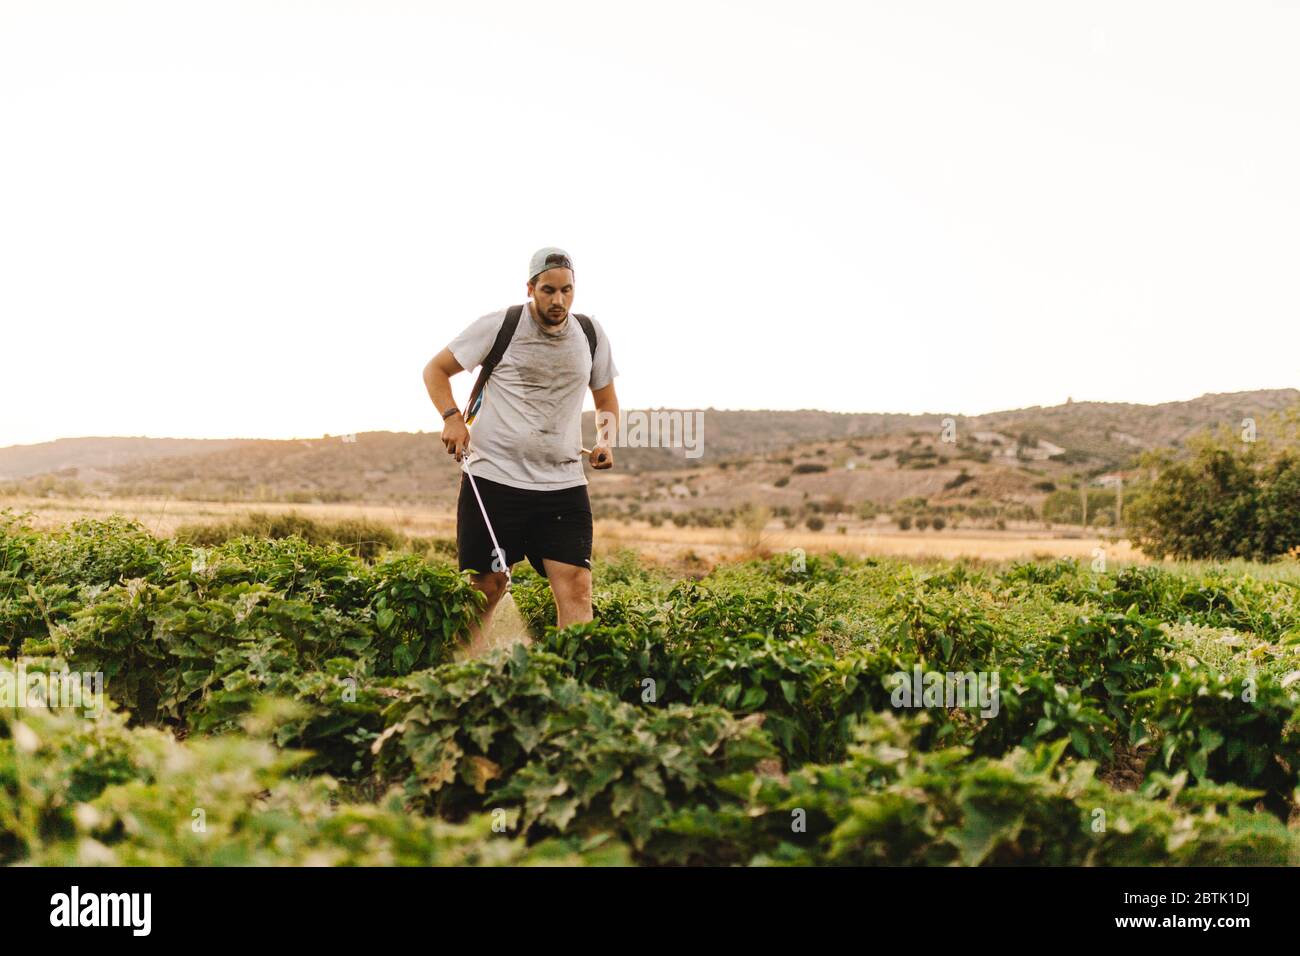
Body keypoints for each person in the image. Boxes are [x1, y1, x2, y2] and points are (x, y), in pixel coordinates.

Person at [422, 247, 620, 656]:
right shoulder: (500, 326)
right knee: (485, 591)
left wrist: (605, 440)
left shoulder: (590, 335)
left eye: (567, 290)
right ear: (531, 289)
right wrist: (451, 417)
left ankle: (573, 690)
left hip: (563, 484)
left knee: (578, 588)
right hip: (495, 481)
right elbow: (435, 369)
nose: (558, 301)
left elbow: (605, 399)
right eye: (548, 290)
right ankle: (463, 687)